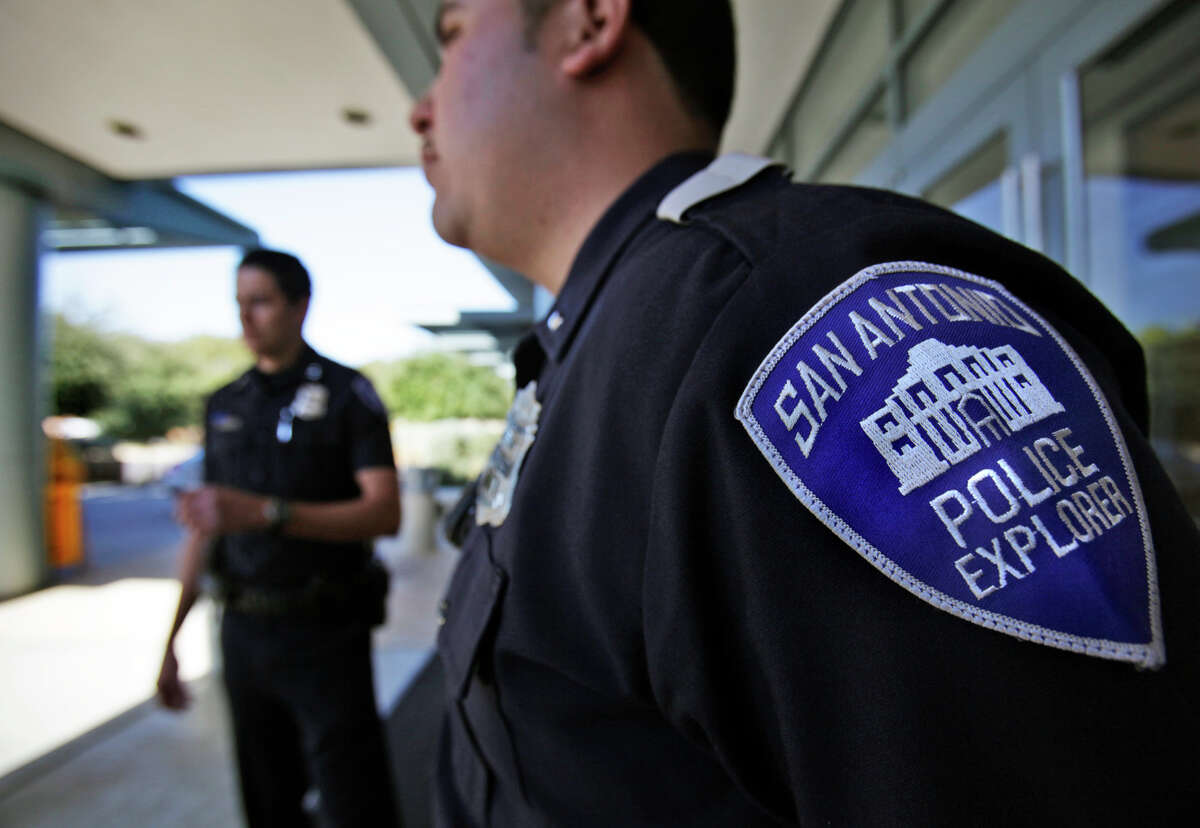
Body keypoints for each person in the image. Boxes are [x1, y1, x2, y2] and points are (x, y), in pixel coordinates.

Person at [409, 1, 1200, 825]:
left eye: (453, 36)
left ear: (589, 23)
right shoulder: (610, 347)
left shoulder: (769, 313)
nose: (419, 106)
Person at [156, 249, 402, 827]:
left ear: (299, 306)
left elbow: (384, 513)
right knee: (267, 801)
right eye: (239, 305)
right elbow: (207, 527)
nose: (246, 320)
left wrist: (269, 512)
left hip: (325, 630)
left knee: (353, 799)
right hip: (243, 632)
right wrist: (170, 641)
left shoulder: (347, 395)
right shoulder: (226, 404)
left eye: (261, 303)